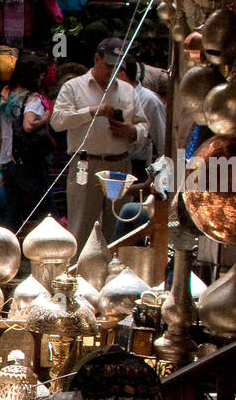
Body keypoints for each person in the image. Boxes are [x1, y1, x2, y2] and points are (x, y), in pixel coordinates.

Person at [48, 36, 149, 251]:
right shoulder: (73, 87)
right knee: (82, 226)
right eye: (108, 65)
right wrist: (91, 111)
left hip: (119, 164)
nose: (111, 71)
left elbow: (143, 127)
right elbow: (57, 121)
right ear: (96, 58)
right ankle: (78, 275)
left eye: (116, 67)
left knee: (119, 228)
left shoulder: (127, 90)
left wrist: (132, 131)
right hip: (86, 164)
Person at [0, 55, 54, 235]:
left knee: (12, 209)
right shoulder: (32, 98)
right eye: (39, 75)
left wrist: (2, 161)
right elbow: (28, 125)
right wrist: (45, 118)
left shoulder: (6, 96)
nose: (42, 79)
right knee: (46, 208)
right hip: (29, 162)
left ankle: (6, 248)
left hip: (8, 160)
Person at [113, 55, 168, 238]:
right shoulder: (114, 98)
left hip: (137, 166)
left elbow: (163, 144)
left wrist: (155, 178)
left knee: (129, 221)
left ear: (122, 74)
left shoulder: (150, 100)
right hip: (115, 161)